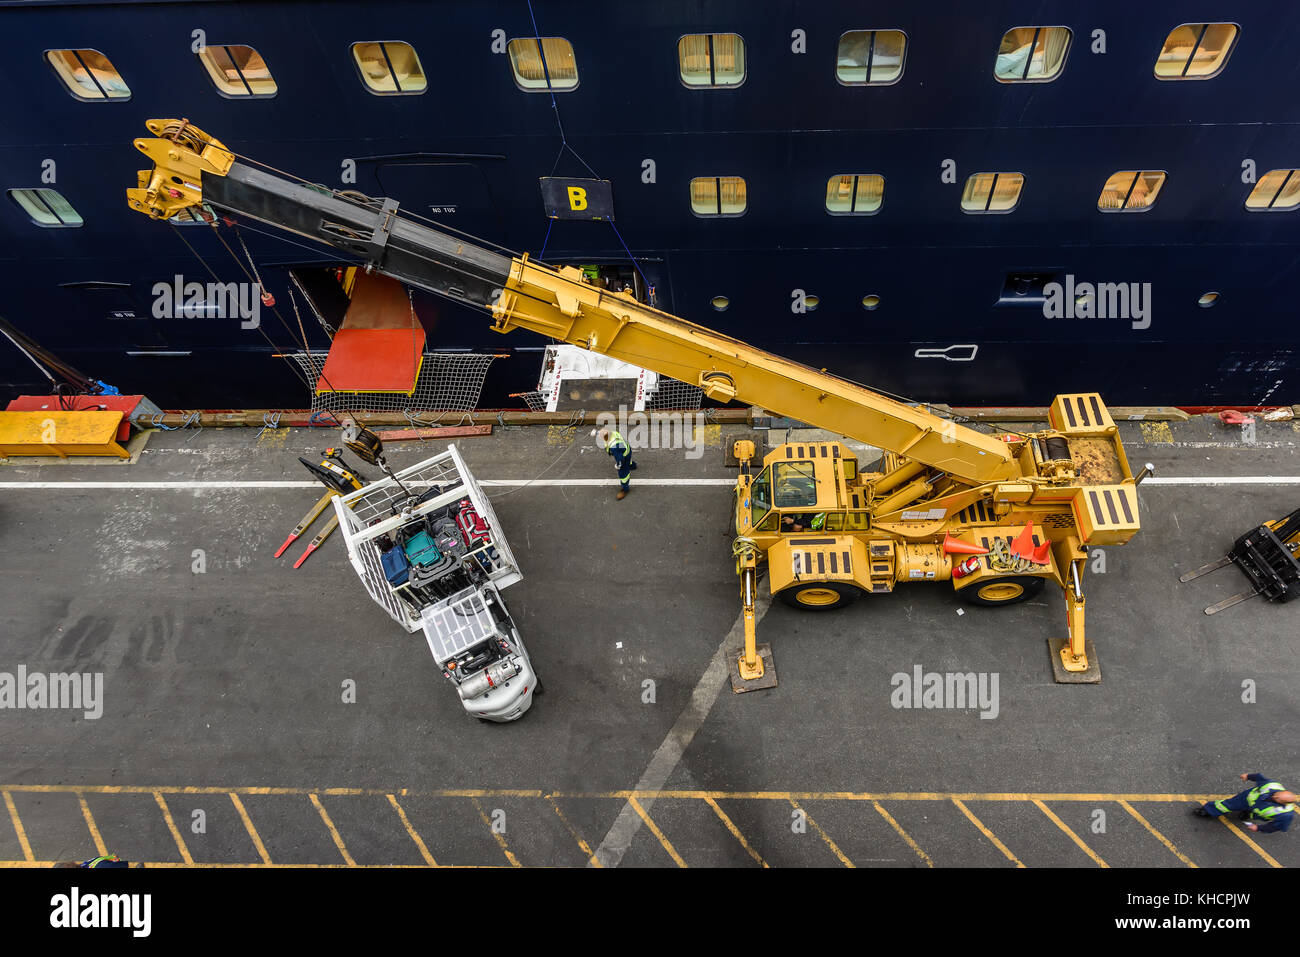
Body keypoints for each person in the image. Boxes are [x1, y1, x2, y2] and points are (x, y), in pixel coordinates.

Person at [1193, 773, 1296, 833]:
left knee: (1249, 814)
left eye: (1278, 799)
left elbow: (1276, 826)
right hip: (1245, 799)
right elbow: (1260, 777)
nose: (1275, 796)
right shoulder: (1273, 786)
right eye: (1277, 794)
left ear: (1285, 803)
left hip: (1256, 812)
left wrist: (1258, 828)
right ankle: (1208, 811)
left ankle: (1246, 814)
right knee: (1227, 804)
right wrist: (1248, 776)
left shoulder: (1286, 815)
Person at [596, 428, 637, 500]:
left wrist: (618, 466)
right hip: (627, 449)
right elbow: (604, 434)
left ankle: (625, 489)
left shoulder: (614, 447)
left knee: (623, 474)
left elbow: (620, 459)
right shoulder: (612, 433)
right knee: (629, 462)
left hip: (623, 457)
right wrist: (596, 433)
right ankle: (632, 466)